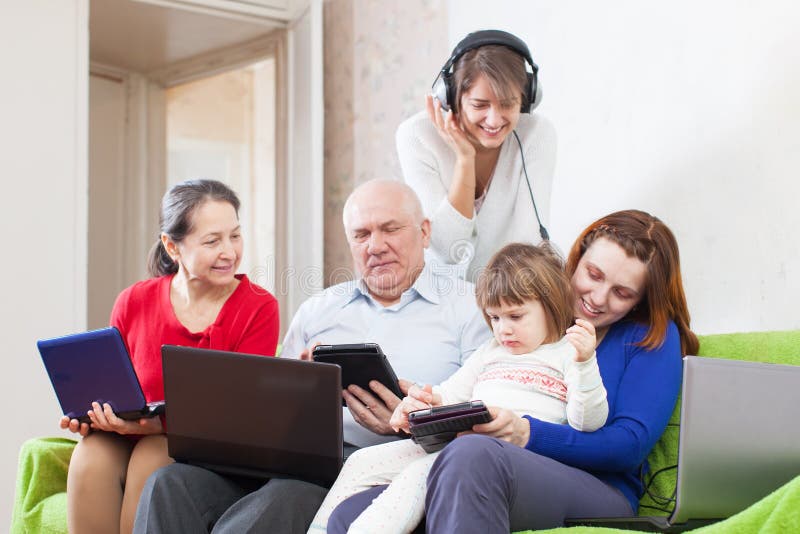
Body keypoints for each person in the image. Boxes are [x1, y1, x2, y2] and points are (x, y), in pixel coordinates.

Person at [133, 179, 490, 534]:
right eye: (361, 235)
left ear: (425, 232)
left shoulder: (469, 309)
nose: (376, 246)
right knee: (169, 483)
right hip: (294, 460)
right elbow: (267, 412)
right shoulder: (317, 310)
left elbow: (486, 415)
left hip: (385, 466)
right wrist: (291, 392)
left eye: (390, 229)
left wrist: (407, 424)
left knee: (286, 497)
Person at [328, 209, 699, 533]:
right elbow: (480, 390)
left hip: (598, 487)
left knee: (472, 456)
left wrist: (525, 433)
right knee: (350, 514)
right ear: (578, 257)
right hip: (496, 465)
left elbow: (628, 448)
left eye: (622, 293)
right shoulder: (532, 316)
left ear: (643, 299)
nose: (598, 298)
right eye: (593, 274)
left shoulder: (650, 335)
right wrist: (430, 409)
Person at [308, 242, 608, 534]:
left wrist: (585, 362)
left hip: (508, 462)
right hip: (456, 445)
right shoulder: (490, 351)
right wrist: (415, 404)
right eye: (494, 317)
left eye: (515, 316)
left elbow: (588, 421)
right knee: (362, 461)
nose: (503, 328)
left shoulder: (568, 354)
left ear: (552, 305)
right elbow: (447, 396)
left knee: (415, 478)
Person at [60, 179, 280, 534]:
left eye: (235, 236)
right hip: (128, 431)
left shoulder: (258, 307)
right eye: (212, 241)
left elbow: (240, 414)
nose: (230, 251)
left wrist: (154, 427)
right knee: (90, 454)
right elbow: (114, 382)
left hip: (201, 443)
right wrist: (91, 414)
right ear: (171, 246)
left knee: (152, 455)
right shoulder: (133, 301)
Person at [396, 29, 557, 281]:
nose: (494, 120)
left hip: (508, 294)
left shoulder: (536, 133)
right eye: (480, 105)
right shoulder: (416, 135)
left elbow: (530, 243)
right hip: (439, 298)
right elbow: (447, 250)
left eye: (507, 104)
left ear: (526, 100)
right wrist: (464, 159)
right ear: (452, 97)